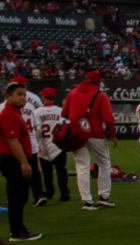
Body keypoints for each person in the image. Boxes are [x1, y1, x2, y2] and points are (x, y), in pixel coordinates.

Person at [62, 70, 116, 209]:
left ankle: (87, 200)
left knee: (82, 167)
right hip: (96, 133)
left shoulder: (72, 93)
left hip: (78, 134)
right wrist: (113, 135)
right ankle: (103, 196)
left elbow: (64, 113)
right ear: (98, 81)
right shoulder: (101, 95)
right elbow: (108, 119)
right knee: (104, 164)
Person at [1, 83, 41, 241]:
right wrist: (24, 163)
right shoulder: (9, 114)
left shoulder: (14, 112)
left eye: (24, 94)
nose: (23, 97)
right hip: (13, 159)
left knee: (19, 196)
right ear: (8, 97)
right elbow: (13, 141)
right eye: (19, 94)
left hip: (13, 158)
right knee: (18, 196)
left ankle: (18, 229)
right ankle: (17, 232)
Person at [10, 76, 44, 204]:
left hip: (16, 141)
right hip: (31, 139)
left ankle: (16, 197)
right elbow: (37, 121)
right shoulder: (33, 100)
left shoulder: (7, 103)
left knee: (16, 172)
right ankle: (39, 194)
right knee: (34, 169)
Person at [32, 87, 68, 204]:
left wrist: (36, 145)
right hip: (59, 145)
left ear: (43, 97)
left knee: (47, 173)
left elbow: (37, 130)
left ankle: (49, 193)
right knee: (61, 171)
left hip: (43, 145)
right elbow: (67, 126)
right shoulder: (60, 110)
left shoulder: (36, 112)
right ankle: (64, 194)